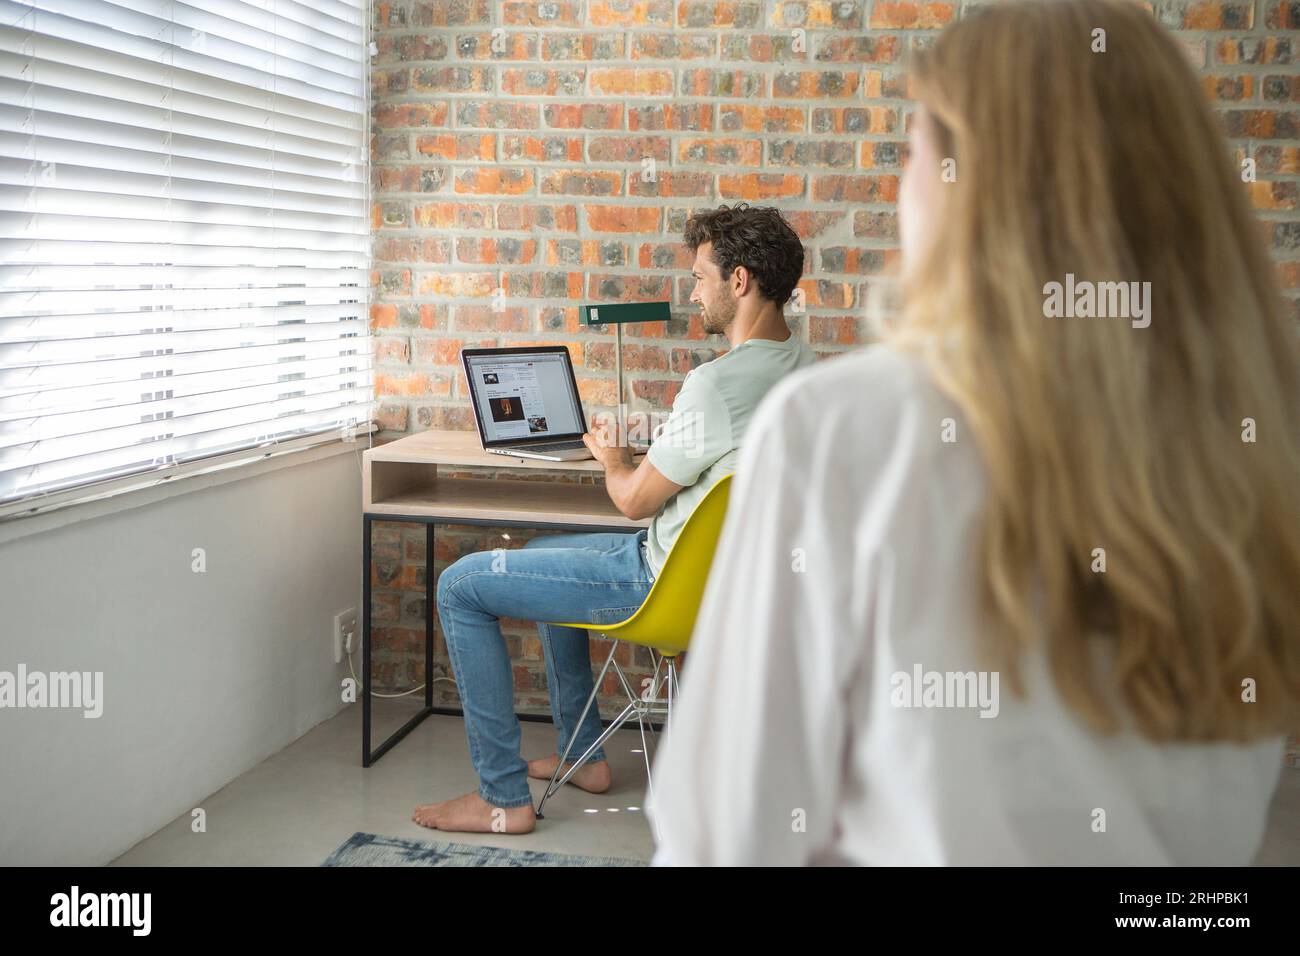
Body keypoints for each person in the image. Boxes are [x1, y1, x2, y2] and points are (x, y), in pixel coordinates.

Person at [648, 0, 1300, 865]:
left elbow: (724, 835)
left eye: (913, 151)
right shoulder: (1259, 448)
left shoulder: (841, 432)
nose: (898, 184)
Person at [414, 204, 816, 833]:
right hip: (719, 582)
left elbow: (632, 500)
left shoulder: (716, 384)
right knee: (547, 545)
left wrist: (614, 458)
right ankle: (584, 757)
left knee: (459, 584)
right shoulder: (801, 365)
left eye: (700, 277)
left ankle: (502, 798)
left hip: (656, 583)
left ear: (739, 282)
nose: (693, 291)